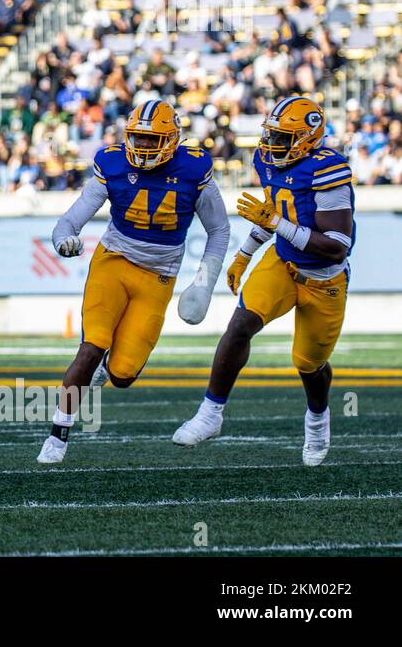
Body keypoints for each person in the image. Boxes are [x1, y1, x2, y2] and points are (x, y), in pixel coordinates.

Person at [38, 99, 229, 464]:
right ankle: (58, 434)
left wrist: (203, 282)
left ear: (172, 140)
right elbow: (69, 221)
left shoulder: (193, 167)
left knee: (123, 375)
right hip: (114, 261)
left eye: (150, 140)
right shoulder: (111, 162)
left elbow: (219, 230)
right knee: (91, 345)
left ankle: (106, 371)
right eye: (137, 139)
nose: (141, 148)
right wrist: (65, 241)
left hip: (159, 275)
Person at [173, 96, 354, 466]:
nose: (272, 144)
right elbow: (274, 213)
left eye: (283, 137)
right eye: (272, 134)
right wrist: (244, 254)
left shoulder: (328, 170)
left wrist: (277, 226)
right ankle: (211, 414)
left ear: (307, 137)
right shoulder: (268, 162)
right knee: (239, 325)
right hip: (283, 263)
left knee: (309, 363)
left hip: (324, 279)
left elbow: (336, 246)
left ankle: (317, 420)